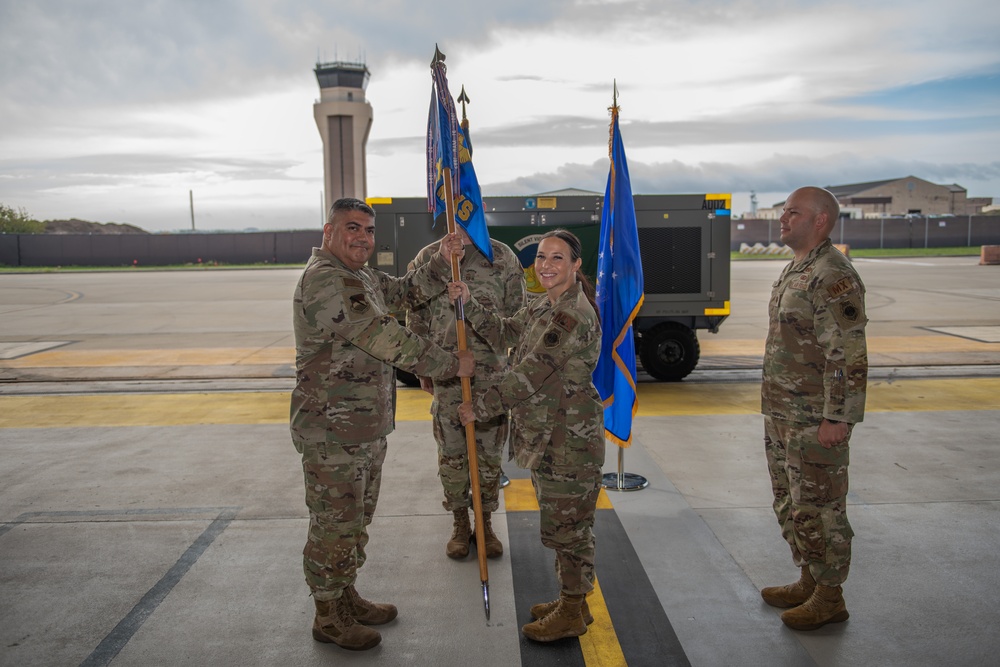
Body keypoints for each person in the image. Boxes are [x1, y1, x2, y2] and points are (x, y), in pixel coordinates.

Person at [290, 198, 474, 651]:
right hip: (332, 430)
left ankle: (345, 595)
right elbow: (383, 336)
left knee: (355, 519)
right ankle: (328, 616)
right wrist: (450, 363)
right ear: (328, 231)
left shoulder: (362, 277)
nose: (363, 238)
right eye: (352, 228)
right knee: (335, 522)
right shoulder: (327, 281)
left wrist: (441, 254)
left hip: (362, 425)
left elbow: (408, 291)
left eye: (369, 230)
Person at [453, 229, 605, 643]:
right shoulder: (544, 305)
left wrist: (478, 407)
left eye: (558, 258)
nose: (546, 266)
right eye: (541, 257)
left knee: (569, 529)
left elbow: (530, 374)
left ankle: (572, 611)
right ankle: (573, 599)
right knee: (562, 525)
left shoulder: (571, 315)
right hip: (548, 436)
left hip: (569, 439)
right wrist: (469, 301)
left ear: (576, 266)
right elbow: (504, 333)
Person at [759, 186, 868, 631]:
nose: (783, 219)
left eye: (793, 212)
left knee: (821, 505)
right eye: (784, 212)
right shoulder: (797, 268)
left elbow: (848, 354)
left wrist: (837, 418)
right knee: (791, 501)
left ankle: (829, 595)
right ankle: (808, 577)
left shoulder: (833, 274)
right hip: (784, 412)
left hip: (814, 419)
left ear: (820, 219)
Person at [405, 226, 526, 560]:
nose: (463, 214)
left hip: (491, 376)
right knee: (452, 455)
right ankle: (460, 522)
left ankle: (485, 522)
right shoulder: (430, 257)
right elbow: (415, 314)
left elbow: (518, 317)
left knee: (488, 456)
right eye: (456, 205)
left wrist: (512, 366)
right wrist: (422, 366)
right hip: (446, 371)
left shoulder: (501, 256)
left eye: (469, 205)